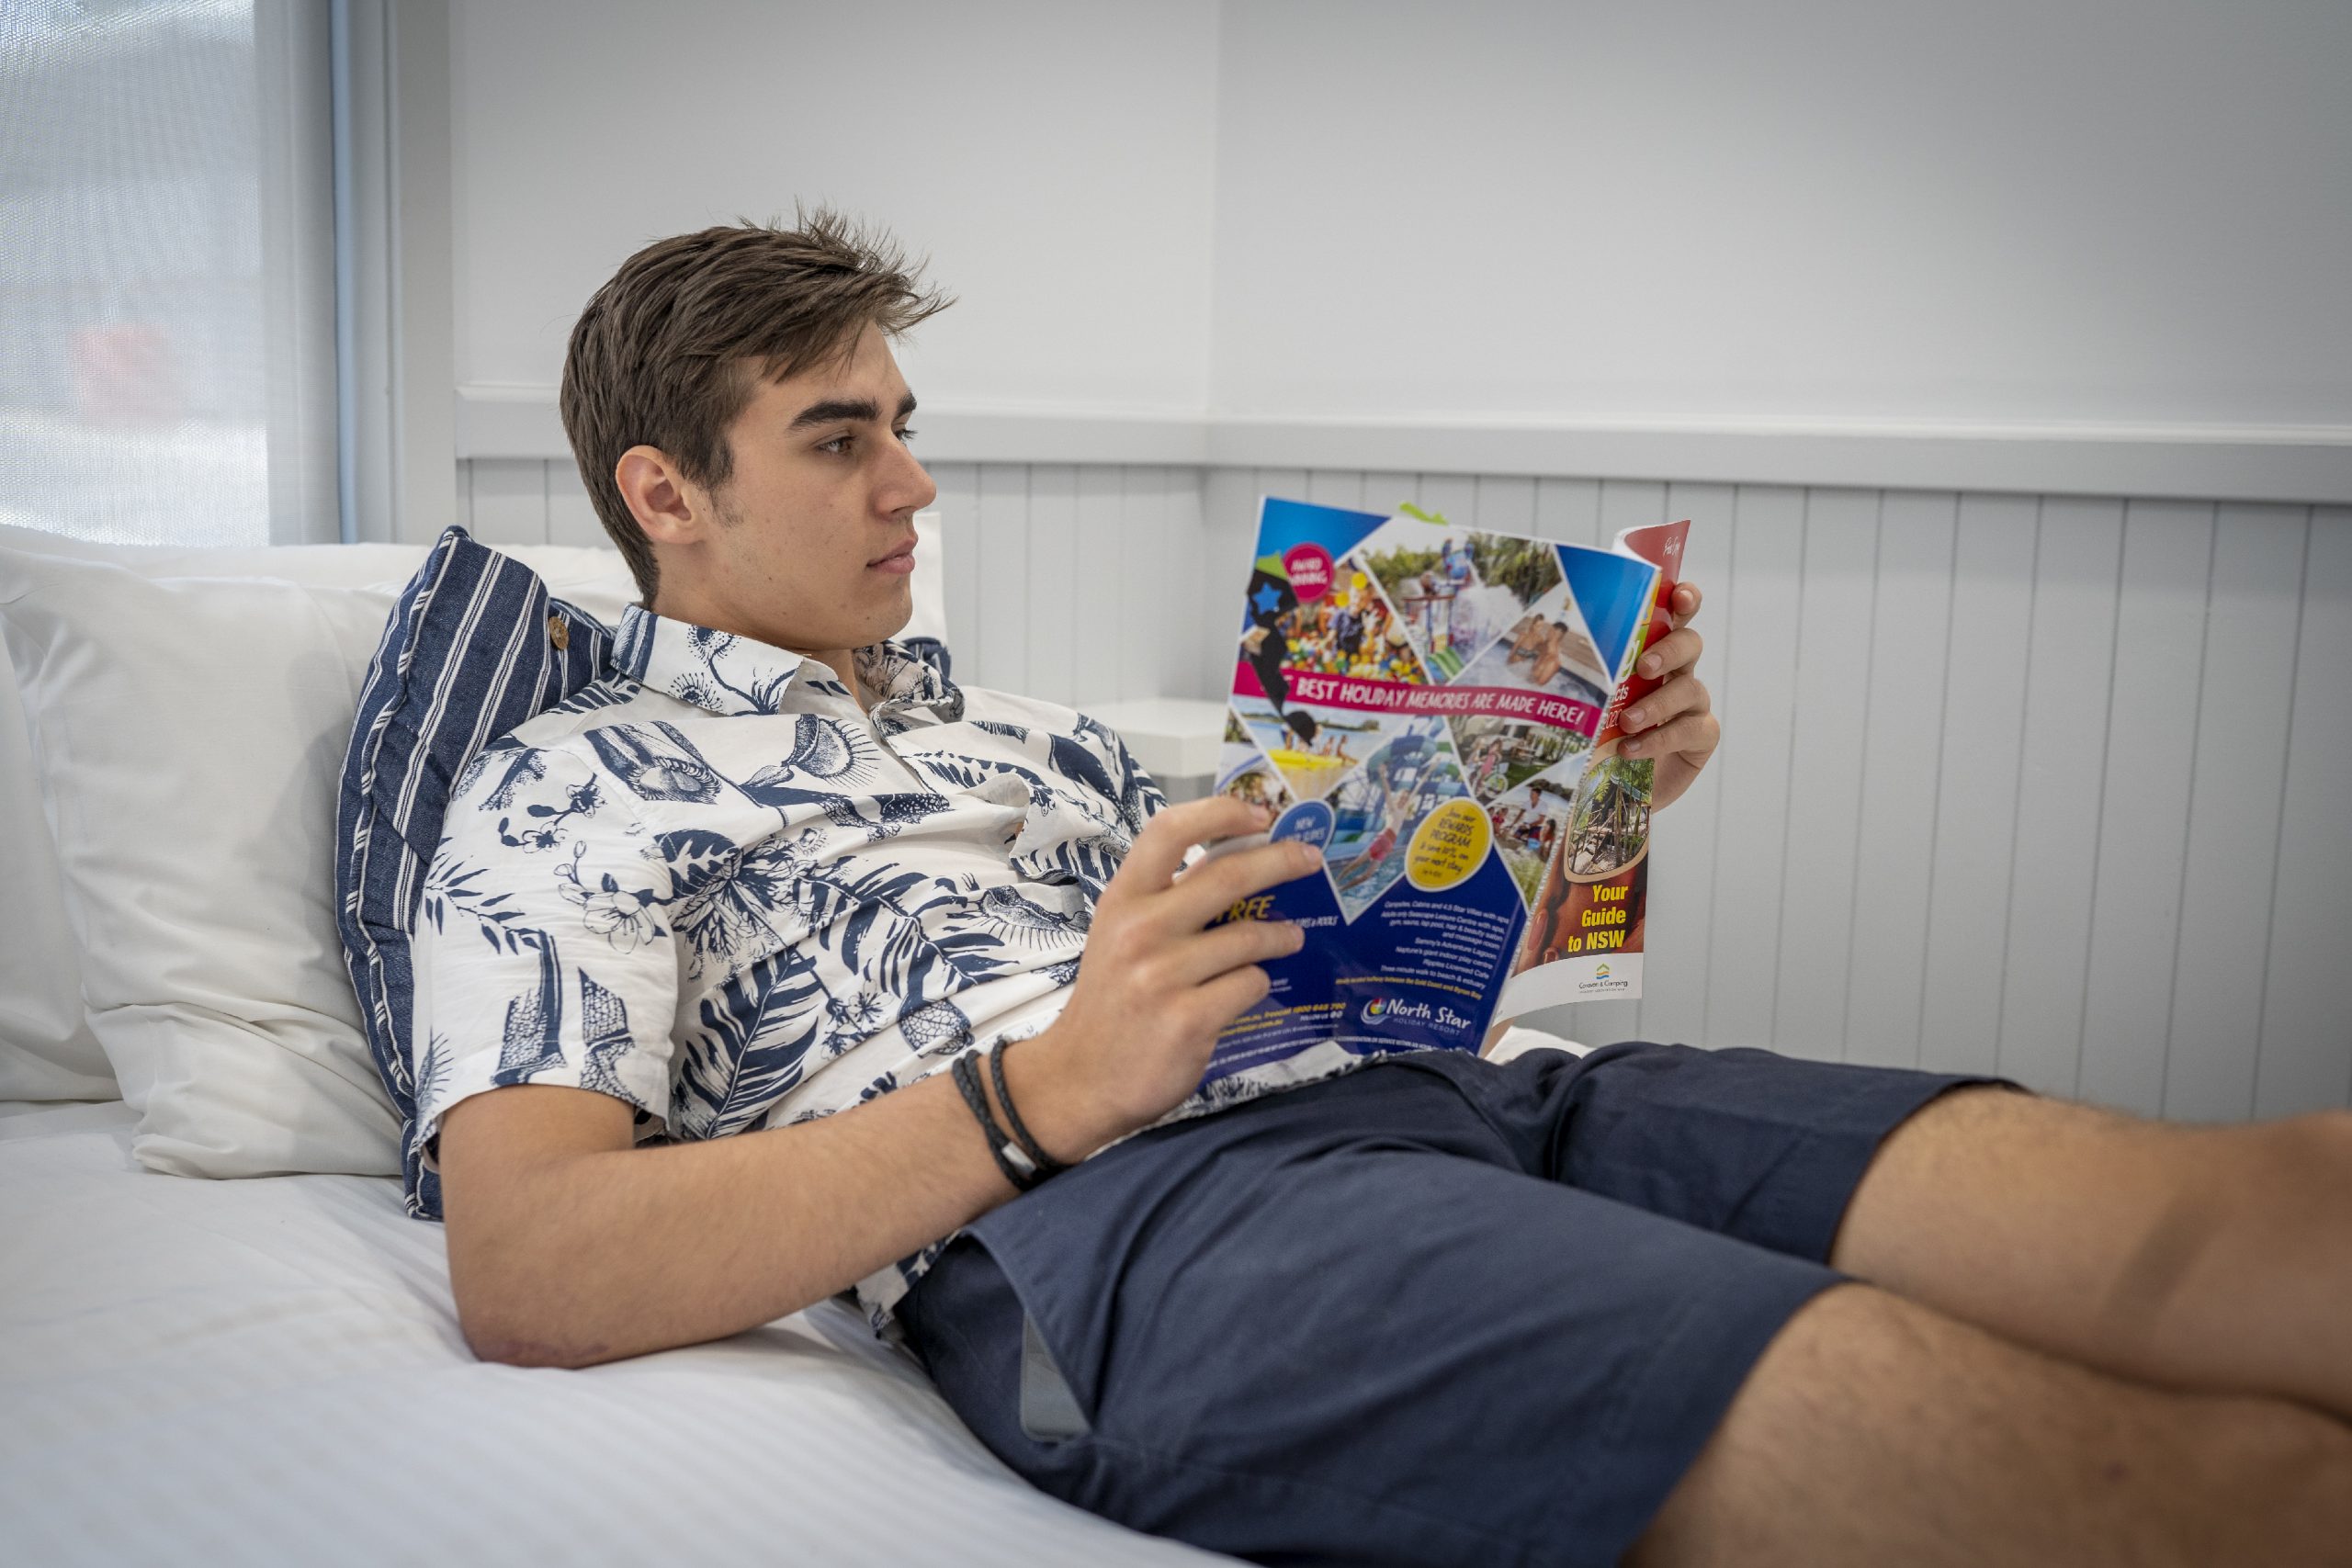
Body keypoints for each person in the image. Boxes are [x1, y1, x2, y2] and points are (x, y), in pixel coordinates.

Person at [420, 215, 2352, 1568]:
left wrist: (1584, 786)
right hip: (1142, 1210)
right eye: (840, 440)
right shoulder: (564, 786)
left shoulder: (1037, 733)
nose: (910, 485)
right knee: (2132, 1472)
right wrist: (1040, 1096)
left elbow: (1363, 933)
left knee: (2268, 1208)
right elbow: (528, 1266)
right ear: (662, 491)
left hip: (1494, 1091)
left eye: (906, 425)